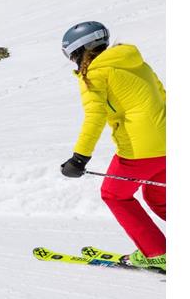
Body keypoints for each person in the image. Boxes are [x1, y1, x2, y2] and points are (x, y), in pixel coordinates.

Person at [59, 21, 166, 271]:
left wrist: (79, 158)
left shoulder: (94, 73)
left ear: (79, 51)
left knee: (114, 194)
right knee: (157, 197)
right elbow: (162, 95)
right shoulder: (135, 62)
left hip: (139, 149)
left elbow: (94, 117)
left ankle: (157, 253)